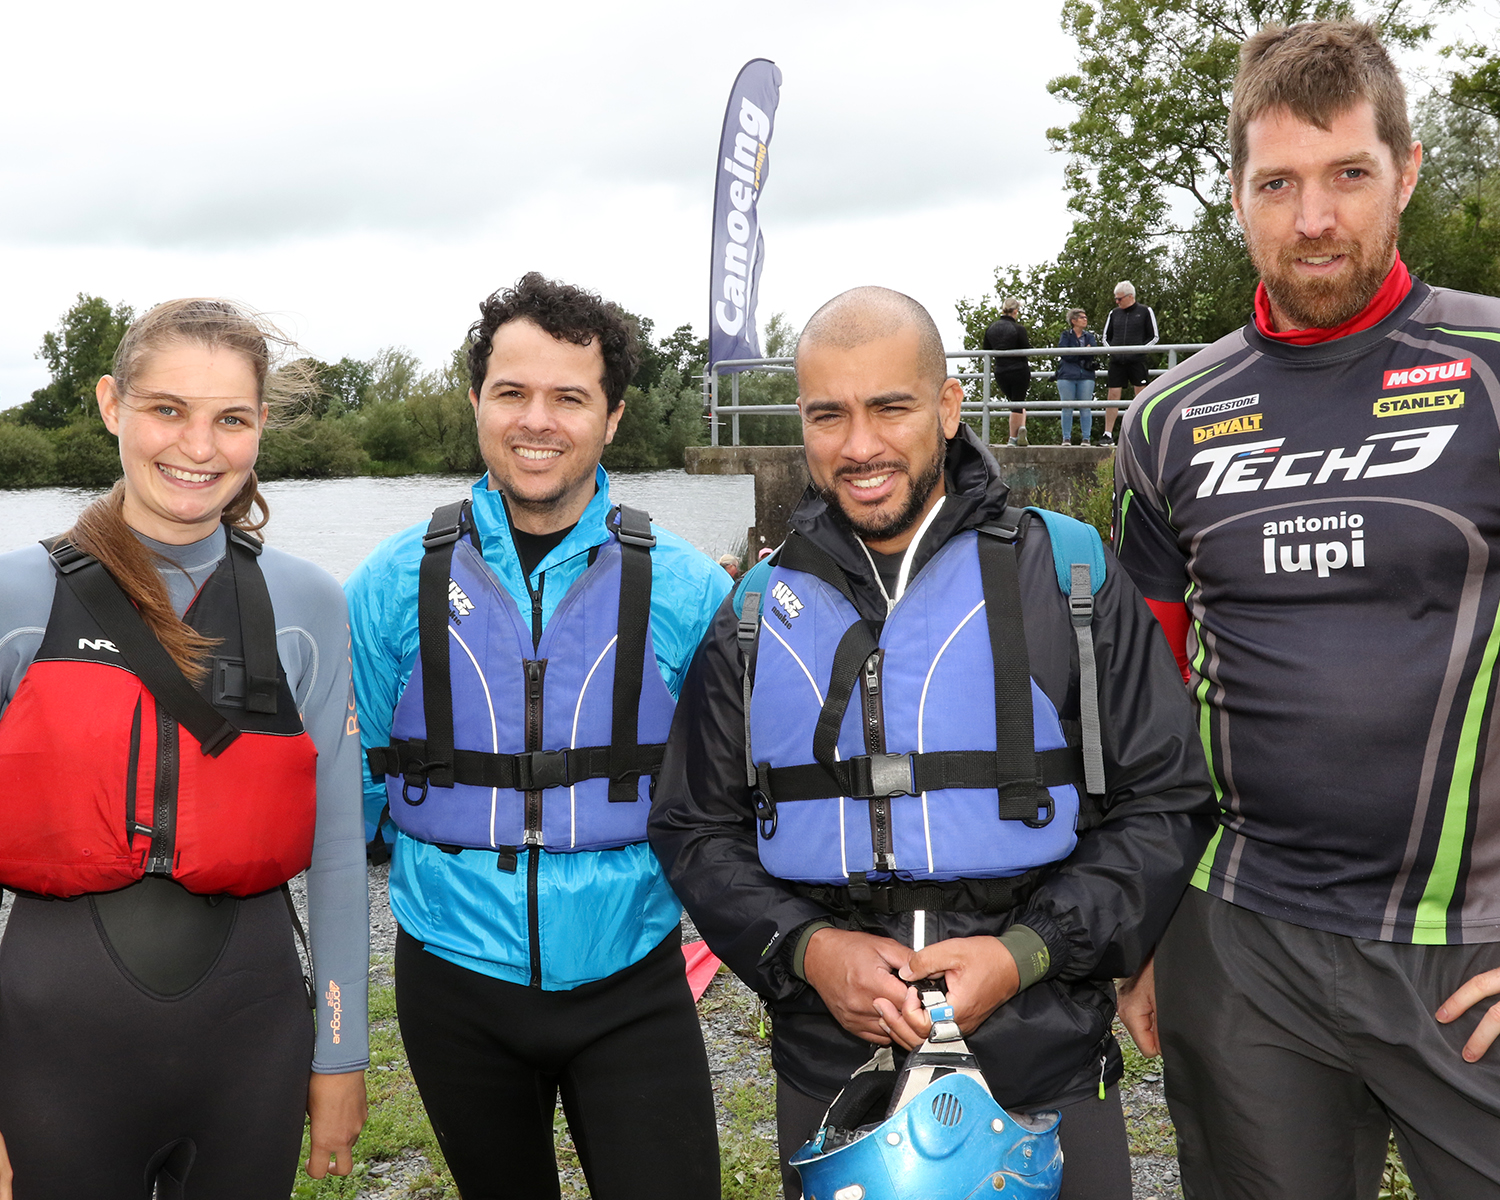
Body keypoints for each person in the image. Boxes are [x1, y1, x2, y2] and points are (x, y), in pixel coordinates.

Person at [650, 285, 1215, 1200]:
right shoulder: (753, 613)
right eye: (829, 414)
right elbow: (693, 829)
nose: (860, 444)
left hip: (1046, 1052)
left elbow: (1167, 801)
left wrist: (1025, 951)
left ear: (948, 407)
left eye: (891, 408)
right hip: (833, 1065)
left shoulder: (1069, 577)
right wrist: (807, 950)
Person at [1112, 21, 1500, 1199]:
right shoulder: (1169, 418)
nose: (1313, 218)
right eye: (1277, 183)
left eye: (1347, 175)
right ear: (1237, 194)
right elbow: (1145, 713)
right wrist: (1142, 932)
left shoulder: (1490, 365)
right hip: (1242, 944)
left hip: (1469, 949)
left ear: (1408, 171)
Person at [346, 272, 726, 1200]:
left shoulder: (687, 590)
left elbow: (726, 800)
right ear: (476, 400)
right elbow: (353, 794)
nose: (537, 420)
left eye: (569, 396)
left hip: (633, 977)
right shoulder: (390, 582)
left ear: (614, 416)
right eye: (512, 392)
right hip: (452, 976)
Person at [0, 299, 369, 1200]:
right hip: (53, 1040)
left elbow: (335, 854)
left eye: (230, 419)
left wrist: (341, 1055)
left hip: (250, 1038)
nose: (198, 447)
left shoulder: (308, 607)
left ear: (260, 429)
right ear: (110, 405)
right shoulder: (16, 597)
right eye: (168, 409)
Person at [1099, 282, 1158, 445]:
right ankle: (1108, 434)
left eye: (1119, 299)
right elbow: (1105, 337)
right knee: (1113, 395)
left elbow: (1154, 337)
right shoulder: (1114, 313)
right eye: (1115, 299)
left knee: (1141, 395)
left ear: (1130, 297)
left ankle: (1140, 433)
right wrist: (1114, 352)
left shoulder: (1145, 311)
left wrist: (1137, 352)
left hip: (1137, 361)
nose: (1117, 302)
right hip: (1117, 361)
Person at [983, 298, 1032, 446]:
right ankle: (1013, 437)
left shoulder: (991, 328)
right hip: (1018, 370)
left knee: (1017, 402)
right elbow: (1027, 349)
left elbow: (986, 350)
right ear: (1015, 311)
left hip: (1000, 371)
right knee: (1017, 403)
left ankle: (1021, 429)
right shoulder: (1018, 329)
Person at [1055, 308, 1100, 446]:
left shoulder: (1089, 336)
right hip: (1066, 375)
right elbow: (1064, 353)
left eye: (1086, 317)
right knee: (1067, 407)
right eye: (1082, 317)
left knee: (1085, 407)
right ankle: (1066, 438)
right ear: (1073, 321)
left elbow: (1093, 352)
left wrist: (1077, 354)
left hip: (1086, 374)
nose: (1085, 319)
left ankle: (1086, 438)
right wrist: (1082, 352)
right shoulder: (1066, 335)